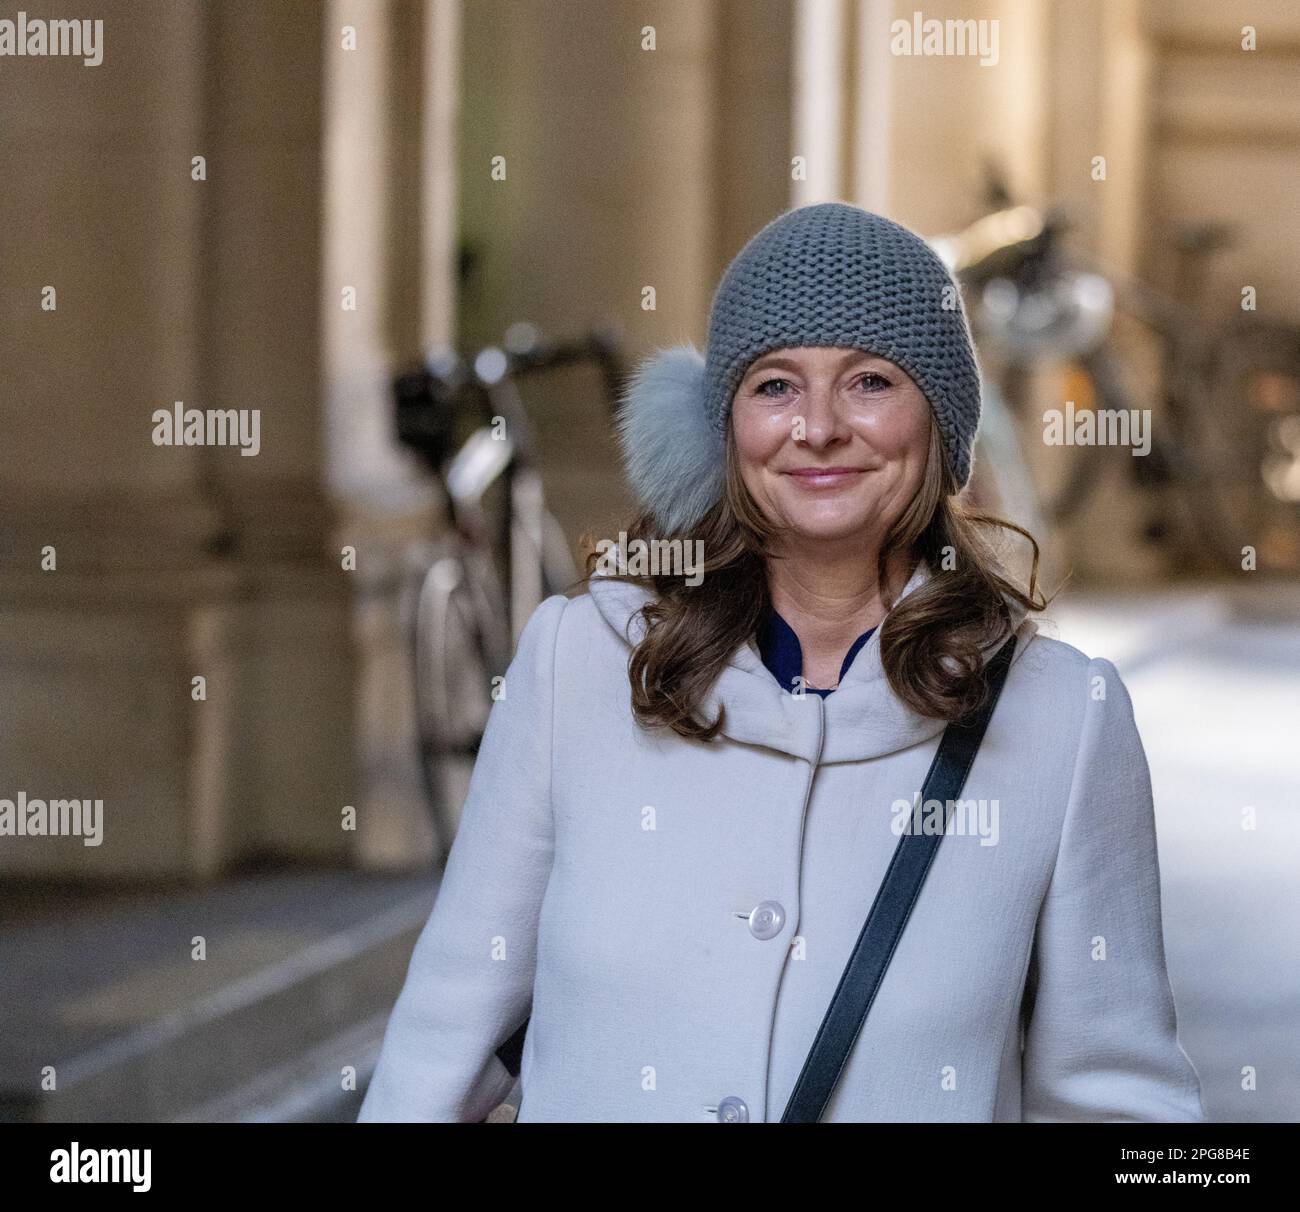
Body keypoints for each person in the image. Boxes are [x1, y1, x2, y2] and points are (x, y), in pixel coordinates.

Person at [357, 201, 1206, 1123]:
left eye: (871, 381)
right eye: (774, 386)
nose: (819, 427)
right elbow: (442, 1045)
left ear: (942, 419)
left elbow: (1118, 1105)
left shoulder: (1061, 718)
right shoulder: (579, 665)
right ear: (724, 426)